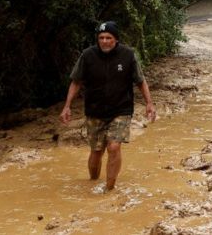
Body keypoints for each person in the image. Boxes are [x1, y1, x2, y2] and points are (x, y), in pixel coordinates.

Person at [59, 21, 156, 191]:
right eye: (101, 38)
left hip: (121, 110)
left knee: (114, 146)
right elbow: (76, 82)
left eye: (108, 38)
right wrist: (67, 106)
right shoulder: (87, 55)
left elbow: (141, 81)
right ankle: (93, 181)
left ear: (116, 40)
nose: (104, 41)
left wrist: (149, 103)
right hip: (95, 111)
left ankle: (109, 189)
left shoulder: (128, 55)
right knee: (96, 152)